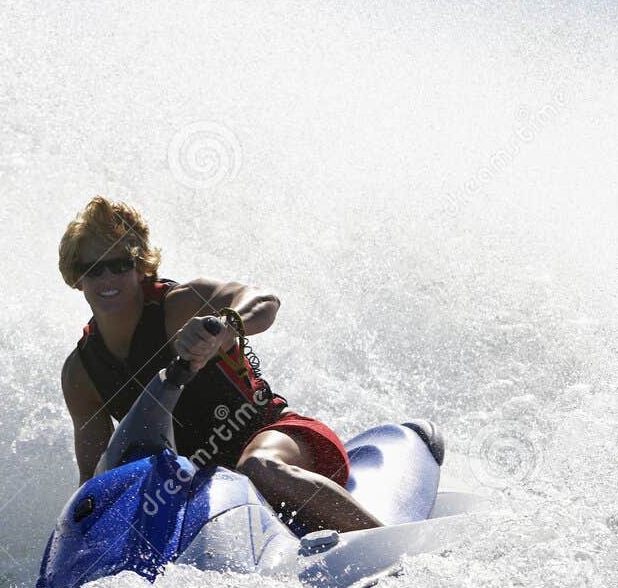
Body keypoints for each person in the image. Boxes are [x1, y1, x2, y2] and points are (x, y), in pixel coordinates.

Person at [58, 196, 383, 534]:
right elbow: (93, 483)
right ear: (77, 278)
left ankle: (391, 545)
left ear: (140, 267)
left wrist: (227, 327)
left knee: (256, 467)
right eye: (94, 269)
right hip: (205, 493)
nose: (107, 278)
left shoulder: (182, 305)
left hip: (283, 443)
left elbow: (265, 300)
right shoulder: (80, 374)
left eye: (120, 265)